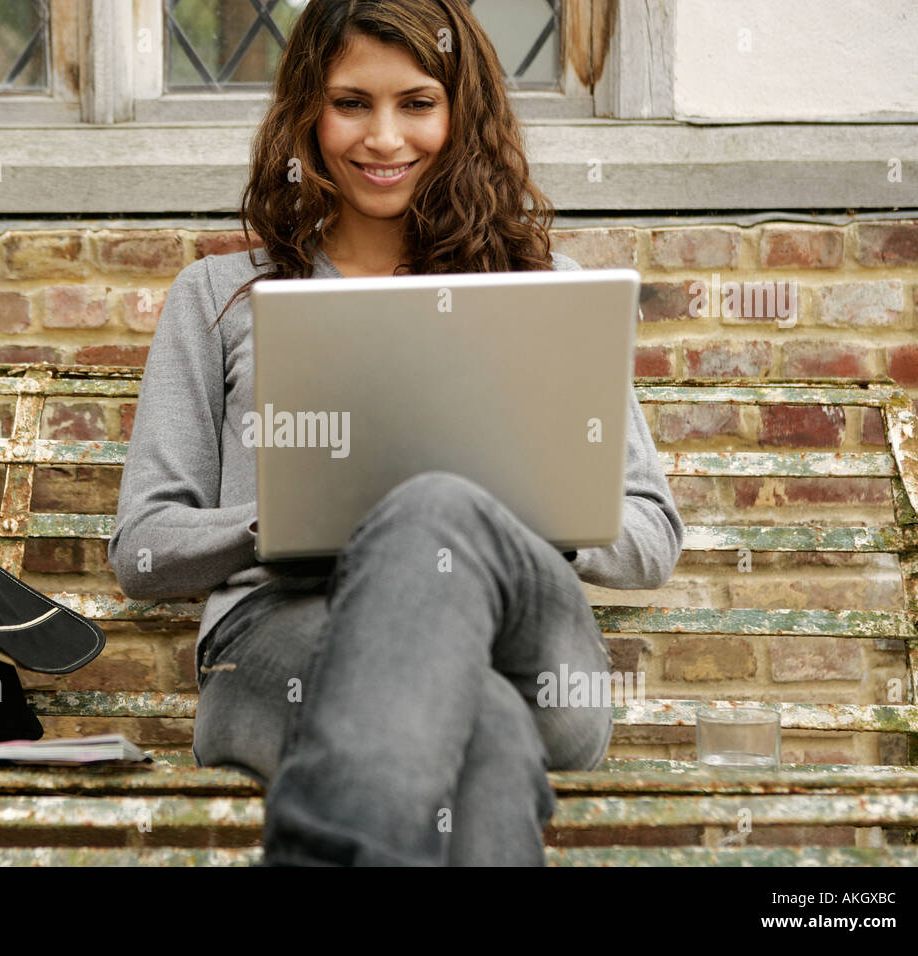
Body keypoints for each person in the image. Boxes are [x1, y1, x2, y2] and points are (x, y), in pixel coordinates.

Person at [108, 0, 684, 866]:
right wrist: (289, 523)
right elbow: (142, 549)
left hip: (525, 647)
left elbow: (651, 533)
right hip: (285, 643)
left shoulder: (540, 287)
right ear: (307, 109)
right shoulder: (219, 294)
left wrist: (507, 521)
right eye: (351, 103)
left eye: (417, 103)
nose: (384, 139)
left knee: (437, 509)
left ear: (462, 112)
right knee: (480, 727)